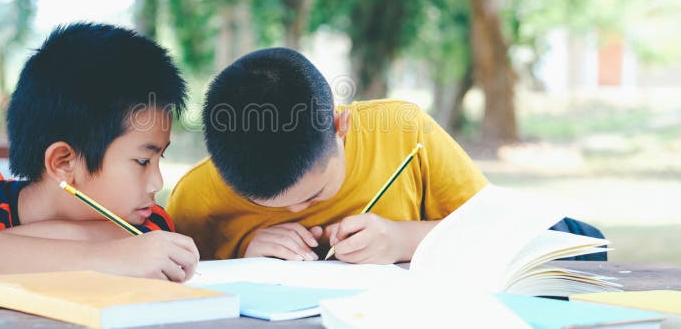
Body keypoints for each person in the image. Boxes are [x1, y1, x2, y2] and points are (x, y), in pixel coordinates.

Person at [0, 22, 199, 282]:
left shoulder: (148, 225)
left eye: (160, 159)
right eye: (143, 161)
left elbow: (147, 248)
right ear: (63, 162)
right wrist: (104, 258)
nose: (157, 183)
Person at [167, 47, 488, 263]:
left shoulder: (404, 133)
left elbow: (500, 234)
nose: (297, 211)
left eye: (314, 195)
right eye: (265, 206)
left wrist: (403, 240)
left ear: (339, 124)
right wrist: (242, 256)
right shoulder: (196, 199)